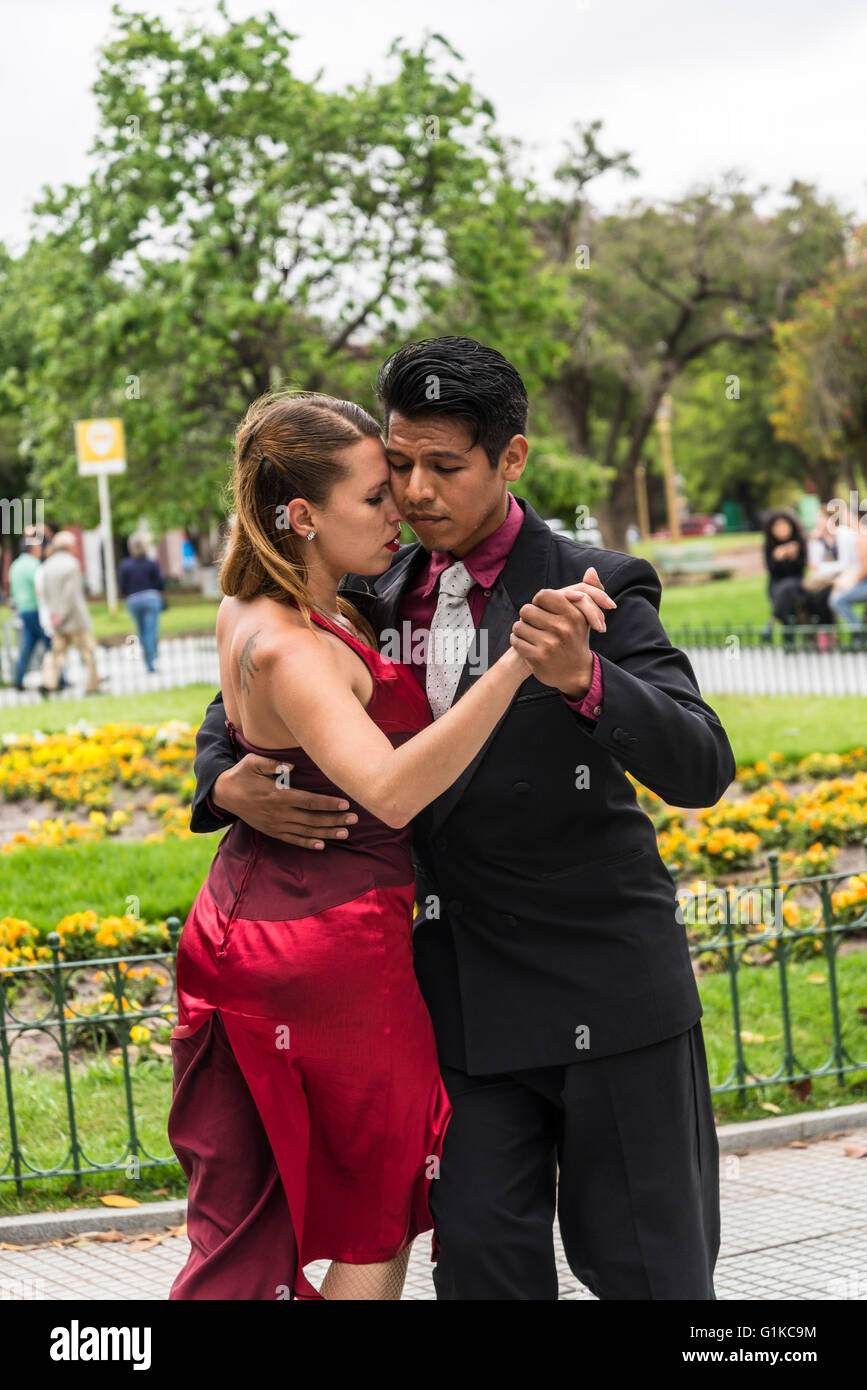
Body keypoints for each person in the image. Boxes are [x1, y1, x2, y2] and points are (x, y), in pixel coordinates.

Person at [191, 338, 736, 1301]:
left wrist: (586, 679)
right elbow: (262, 678)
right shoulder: (367, 584)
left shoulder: (596, 581)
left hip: (606, 994)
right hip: (459, 1011)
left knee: (650, 1275)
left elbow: (700, 764)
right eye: (396, 465)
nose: (412, 491)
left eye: (442, 467)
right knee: (481, 1270)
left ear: (510, 459)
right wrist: (223, 779)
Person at [167, 389, 610, 1302]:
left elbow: (254, 731)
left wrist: (225, 783)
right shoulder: (292, 644)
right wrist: (518, 662)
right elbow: (395, 789)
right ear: (300, 515)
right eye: (375, 495)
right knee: (384, 1201)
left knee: (253, 1215)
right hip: (329, 947)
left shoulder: (268, 604)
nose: (401, 508)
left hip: (244, 922)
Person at [37, 531, 101, 696]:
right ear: (68, 547)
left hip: (56, 619)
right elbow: (70, 593)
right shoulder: (72, 564)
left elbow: (45, 593)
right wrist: (62, 614)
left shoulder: (47, 565)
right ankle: (92, 685)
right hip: (74, 618)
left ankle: (48, 682)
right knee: (88, 652)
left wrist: (53, 614)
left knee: (57, 653)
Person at [8, 528, 52, 690]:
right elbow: (41, 586)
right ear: (33, 549)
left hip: (23, 609)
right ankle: (56, 679)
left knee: (27, 646)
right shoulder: (34, 565)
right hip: (35, 609)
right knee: (50, 643)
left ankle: (18, 679)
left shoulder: (15, 565)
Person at [118, 533, 164, 673]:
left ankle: (148, 658)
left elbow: (122, 586)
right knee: (151, 630)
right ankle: (151, 659)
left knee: (141, 630)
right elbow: (160, 583)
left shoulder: (125, 565)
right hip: (150, 598)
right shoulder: (151, 563)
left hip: (133, 600)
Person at [829, 508, 867, 629]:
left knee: (837, 601)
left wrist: (851, 584)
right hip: (862, 582)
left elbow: (865, 569)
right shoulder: (857, 537)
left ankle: (858, 631)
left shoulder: (862, 538)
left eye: (847, 516)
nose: (845, 520)